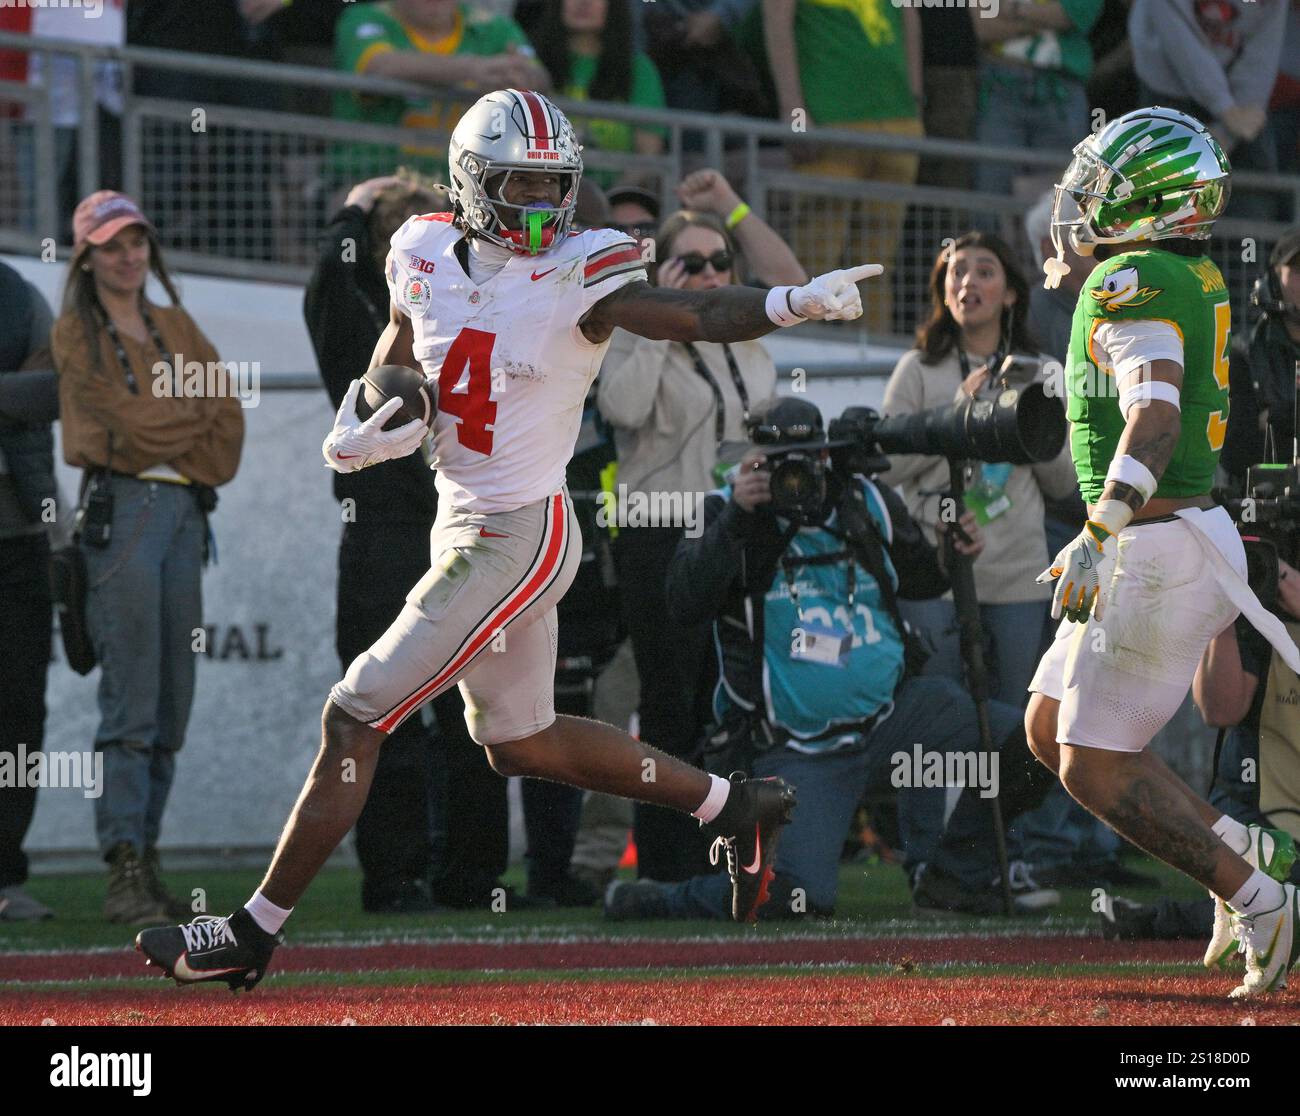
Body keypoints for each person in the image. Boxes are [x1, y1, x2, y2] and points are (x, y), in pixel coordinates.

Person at [136, 87, 886, 989]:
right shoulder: (419, 248)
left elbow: (693, 315)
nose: (540, 202)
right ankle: (734, 805)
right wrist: (377, 412)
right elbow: (401, 346)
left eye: (552, 183)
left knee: (354, 712)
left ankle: (251, 934)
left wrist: (793, 302)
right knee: (518, 742)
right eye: (518, 184)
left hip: (517, 531)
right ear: (469, 182)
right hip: (461, 515)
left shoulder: (583, 266)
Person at [1028, 106, 1300, 998]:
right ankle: (1242, 848)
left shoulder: (1134, 277)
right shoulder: (1181, 271)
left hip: (1153, 542)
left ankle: (1262, 898)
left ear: (1153, 205)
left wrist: (1099, 530)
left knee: (1094, 762)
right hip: (1170, 532)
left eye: (1103, 187)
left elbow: (1154, 417)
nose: (1081, 200)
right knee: (1047, 728)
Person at [603, 397, 1058, 920]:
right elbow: (683, 603)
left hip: (894, 717)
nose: (797, 476)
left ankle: (955, 876)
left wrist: (949, 553)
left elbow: (922, 580)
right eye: (780, 463)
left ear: (825, 454)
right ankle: (658, 899)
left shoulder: (863, 499)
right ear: (753, 460)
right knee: (796, 897)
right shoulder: (721, 511)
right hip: (798, 748)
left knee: (1036, 741)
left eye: (809, 458)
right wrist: (738, 517)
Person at [596, 187, 804, 880]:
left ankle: (729, 857)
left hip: (734, 526)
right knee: (670, 703)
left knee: (731, 695)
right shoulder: (634, 330)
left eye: (719, 262)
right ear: (662, 271)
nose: (710, 274)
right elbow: (622, 409)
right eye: (690, 264)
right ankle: (665, 865)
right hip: (658, 529)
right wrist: (664, 317)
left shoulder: (744, 336)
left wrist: (736, 207)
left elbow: (798, 286)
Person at [55, 191, 244, 924]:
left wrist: (167, 425)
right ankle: (124, 866)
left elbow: (226, 421)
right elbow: (115, 431)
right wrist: (185, 419)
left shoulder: (176, 323)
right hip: (124, 511)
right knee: (132, 699)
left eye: (135, 242)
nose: (127, 256)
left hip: (184, 514)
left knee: (171, 702)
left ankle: (147, 857)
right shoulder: (76, 332)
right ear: (86, 258)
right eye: (111, 246)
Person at [305, 172, 450, 914]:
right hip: (385, 535)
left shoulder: (461, 314)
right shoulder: (361, 321)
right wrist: (354, 208)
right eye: (399, 238)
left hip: (459, 528)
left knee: (468, 711)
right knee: (380, 706)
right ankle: (394, 877)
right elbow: (327, 284)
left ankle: (468, 874)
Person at [879, 231, 1078, 709]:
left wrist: (1033, 423)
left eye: (985, 272)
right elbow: (887, 469)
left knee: (1011, 721)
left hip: (1018, 579)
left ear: (1010, 294)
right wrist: (955, 415)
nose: (968, 282)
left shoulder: (1043, 370)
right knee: (938, 715)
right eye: (957, 272)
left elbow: (1063, 483)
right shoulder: (916, 368)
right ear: (944, 290)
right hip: (935, 576)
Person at [1101, 553, 1300, 944]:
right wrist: (1224, 613)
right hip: (1260, 809)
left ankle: (1180, 917)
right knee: (1269, 872)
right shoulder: (1262, 593)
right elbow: (1219, 709)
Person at [750, 0, 923, 336]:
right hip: (830, 119)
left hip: (898, 119)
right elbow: (776, 18)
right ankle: (805, 349)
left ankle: (873, 351)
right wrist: (793, 111)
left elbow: (909, 13)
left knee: (877, 262)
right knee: (816, 257)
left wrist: (914, 100)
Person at [331, 0, 548, 183]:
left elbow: (540, 80)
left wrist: (521, 77)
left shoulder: (493, 27)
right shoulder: (365, 17)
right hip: (372, 180)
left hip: (465, 188)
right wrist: (472, 70)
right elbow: (379, 67)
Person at [0, 262, 58, 922]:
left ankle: (5, 873)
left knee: (18, 710)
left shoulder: (17, 296)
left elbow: (55, 389)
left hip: (19, 536)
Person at [1127, 0, 1288, 220]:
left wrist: (1229, 131)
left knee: (1256, 190)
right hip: (1168, 83)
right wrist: (1225, 108)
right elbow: (1181, 43)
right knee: (1163, 201)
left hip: (1237, 97)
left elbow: (1262, 56)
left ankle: (1248, 244)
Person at [525, 0, 668, 190]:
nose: (583, 3)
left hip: (612, 199)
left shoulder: (639, 70)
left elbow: (648, 156)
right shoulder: (529, 64)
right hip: (537, 195)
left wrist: (606, 200)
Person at [973, 0, 1101, 199]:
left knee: (1062, 198)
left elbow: (1077, 13)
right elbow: (984, 27)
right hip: (1000, 89)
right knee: (993, 195)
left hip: (1060, 93)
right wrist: (1043, 18)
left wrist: (1015, 9)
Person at [1221, 228, 1300, 490]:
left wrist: (1274, 419)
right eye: (1298, 270)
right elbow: (1235, 455)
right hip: (1264, 505)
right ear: (1273, 280)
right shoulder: (1243, 356)